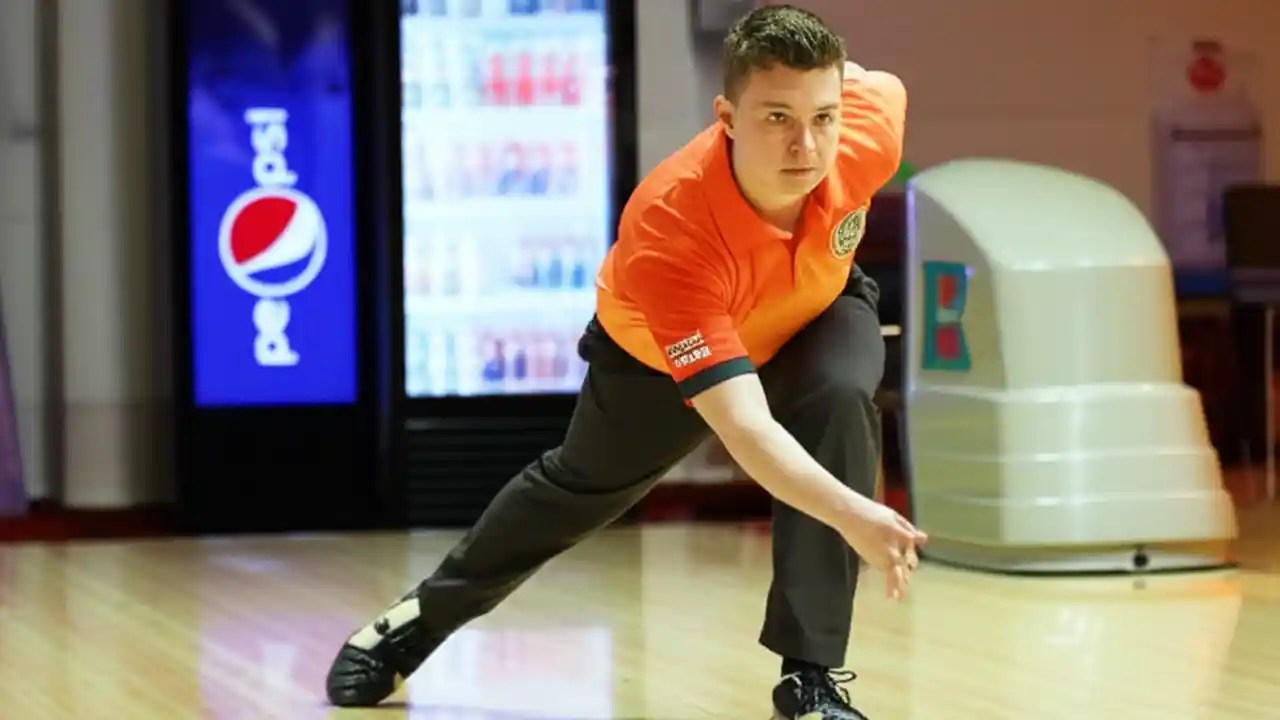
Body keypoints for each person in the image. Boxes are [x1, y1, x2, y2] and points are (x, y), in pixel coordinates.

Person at [326, 5, 926, 718]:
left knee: (837, 397)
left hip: (813, 306)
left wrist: (830, 88)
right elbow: (745, 429)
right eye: (776, 118)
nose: (806, 143)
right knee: (575, 492)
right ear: (727, 118)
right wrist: (857, 514)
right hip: (653, 355)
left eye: (822, 116)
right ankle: (418, 620)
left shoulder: (863, 132)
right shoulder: (671, 229)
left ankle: (810, 684)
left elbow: (881, 85)